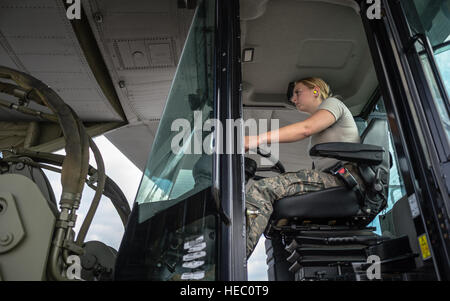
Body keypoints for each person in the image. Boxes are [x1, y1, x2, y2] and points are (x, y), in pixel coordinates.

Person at [244, 77, 365, 259]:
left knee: (261, 190)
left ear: (315, 90)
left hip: (342, 180)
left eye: (297, 92)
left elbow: (305, 128)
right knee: (273, 196)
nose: (293, 99)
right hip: (334, 180)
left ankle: (236, 255)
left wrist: (257, 138)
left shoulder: (333, 103)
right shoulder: (321, 130)